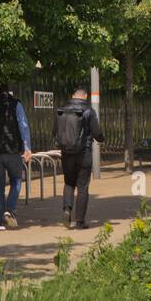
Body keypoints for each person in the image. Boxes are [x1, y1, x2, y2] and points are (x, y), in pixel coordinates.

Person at [0, 83, 32, 230]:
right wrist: (27, 147)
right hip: (12, 151)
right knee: (16, 180)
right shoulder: (16, 104)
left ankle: (1, 220)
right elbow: (23, 126)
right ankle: (10, 209)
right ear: (8, 91)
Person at [54, 85, 104, 229]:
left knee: (69, 182)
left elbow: (54, 131)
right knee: (82, 187)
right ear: (85, 96)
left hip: (66, 153)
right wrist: (101, 139)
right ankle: (80, 221)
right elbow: (97, 132)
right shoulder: (89, 110)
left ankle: (66, 209)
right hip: (84, 153)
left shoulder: (61, 109)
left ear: (73, 95)